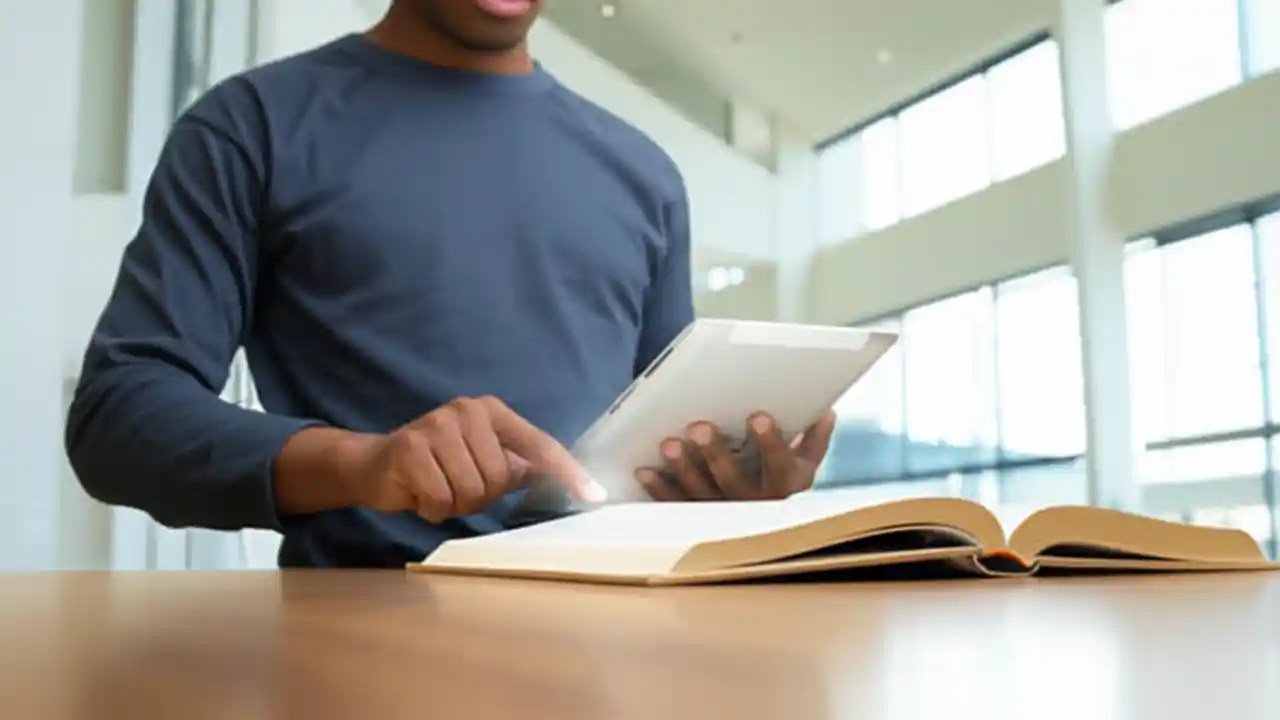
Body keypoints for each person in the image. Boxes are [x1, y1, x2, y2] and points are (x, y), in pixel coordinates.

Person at [66, 0, 836, 568]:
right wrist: (364, 464)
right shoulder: (251, 126)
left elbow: (662, 452)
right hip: (358, 635)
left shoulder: (645, 174)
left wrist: (734, 480)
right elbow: (120, 415)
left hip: (615, 641)